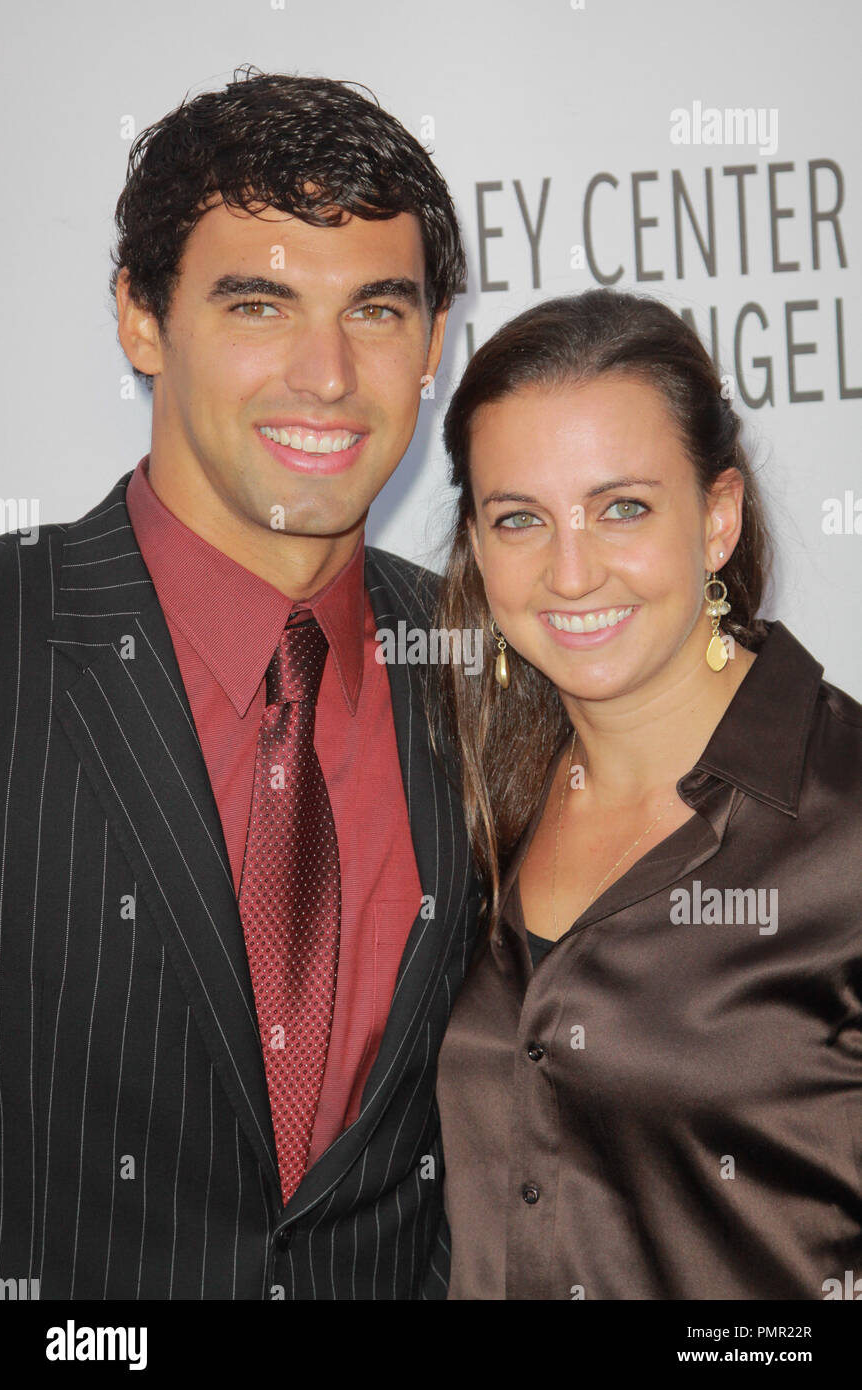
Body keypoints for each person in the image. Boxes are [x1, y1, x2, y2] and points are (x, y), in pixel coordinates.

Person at [0, 66, 482, 1300]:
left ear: (433, 341)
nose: (325, 376)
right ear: (140, 319)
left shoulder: (491, 671)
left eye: (376, 310)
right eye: (260, 304)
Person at [431, 288, 862, 1300]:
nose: (570, 570)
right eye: (519, 518)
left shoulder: (842, 820)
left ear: (716, 519)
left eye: (620, 506)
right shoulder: (465, 803)